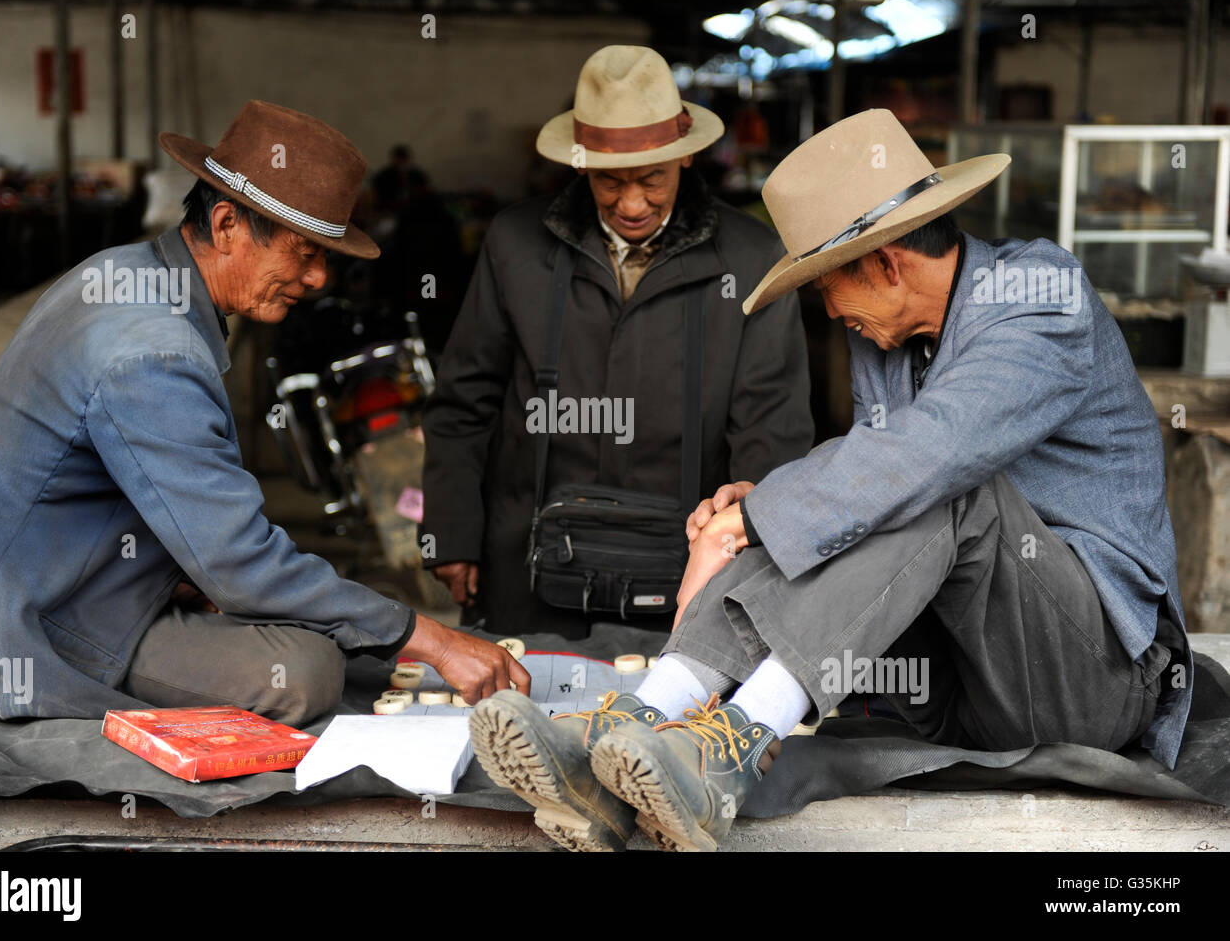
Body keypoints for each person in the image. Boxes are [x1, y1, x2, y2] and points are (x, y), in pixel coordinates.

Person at [469, 108, 1190, 852]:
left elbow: (928, 454)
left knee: (934, 489)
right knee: (816, 502)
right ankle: (637, 727)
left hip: (1089, 687)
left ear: (885, 264)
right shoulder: (892, 335)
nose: (831, 314)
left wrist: (758, 518)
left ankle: (733, 749)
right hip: (953, 687)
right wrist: (760, 509)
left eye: (825, 289)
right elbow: (868, 472)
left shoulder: (1042, 295)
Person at [0, 100, 528, 727]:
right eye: (304, 253)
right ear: (225, 226)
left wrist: (189, 577)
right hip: (24, 627)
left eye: (327, 257)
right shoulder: (152, 354)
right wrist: (434, 638)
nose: (319, 277)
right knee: (305, 671)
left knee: (307, 625)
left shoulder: (117, 272)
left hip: (26, 585)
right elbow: (240, 564)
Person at [420, 46, 815, 637]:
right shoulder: (515, 245)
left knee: (666, 720)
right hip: (526, 565)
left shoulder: (752, 258)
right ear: (580, 167)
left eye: (652, 178)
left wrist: (747, 550)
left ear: (685, 159)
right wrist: (450, 533)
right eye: (610, 181)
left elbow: (771, 429)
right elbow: (463, 402)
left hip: (689, 570)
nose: (632, 204)